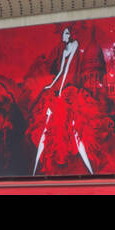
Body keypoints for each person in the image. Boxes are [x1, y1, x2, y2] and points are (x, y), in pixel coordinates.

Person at [32, 26, 96, 175]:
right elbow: (61, 71)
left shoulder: (75, 45)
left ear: (71, 34)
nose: (64, 35)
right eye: (63, 33)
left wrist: (60, 88)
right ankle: (34, 169)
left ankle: (91, 170)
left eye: (66, 33)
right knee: (47, 127)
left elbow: (68, 69)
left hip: (69, 90)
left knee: (75, 129)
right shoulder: (64, 50)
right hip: (61, 88)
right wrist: (51, 85)